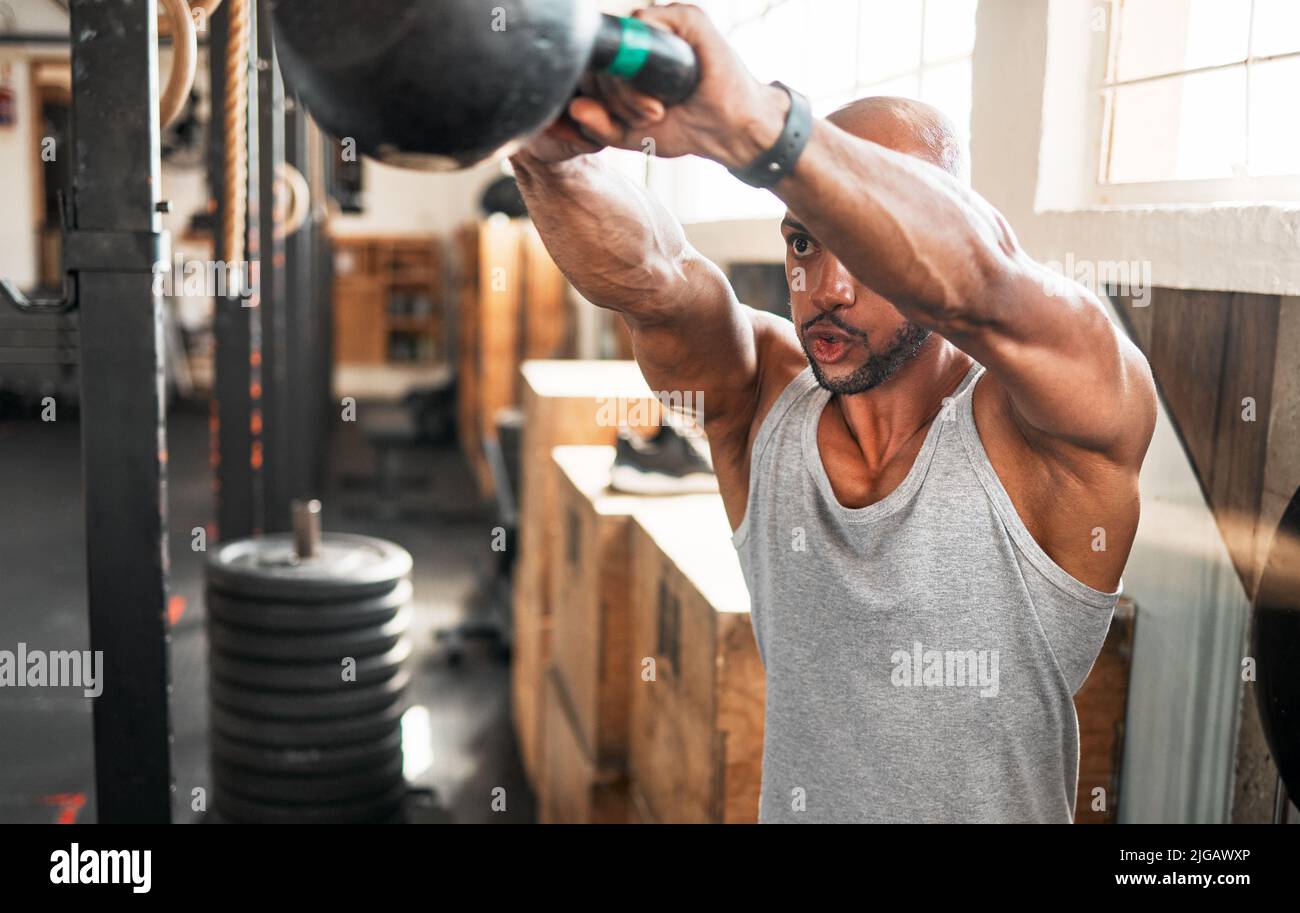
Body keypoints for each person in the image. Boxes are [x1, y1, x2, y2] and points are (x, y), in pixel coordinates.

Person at [511, 4, 1157, 823]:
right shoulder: (761, 404)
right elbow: (657, 275)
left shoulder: (1047, 434)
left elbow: (986, 280)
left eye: (866, 250)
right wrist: (542, 143)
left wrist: (756, 123)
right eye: (805, 244)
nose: (830, 289)